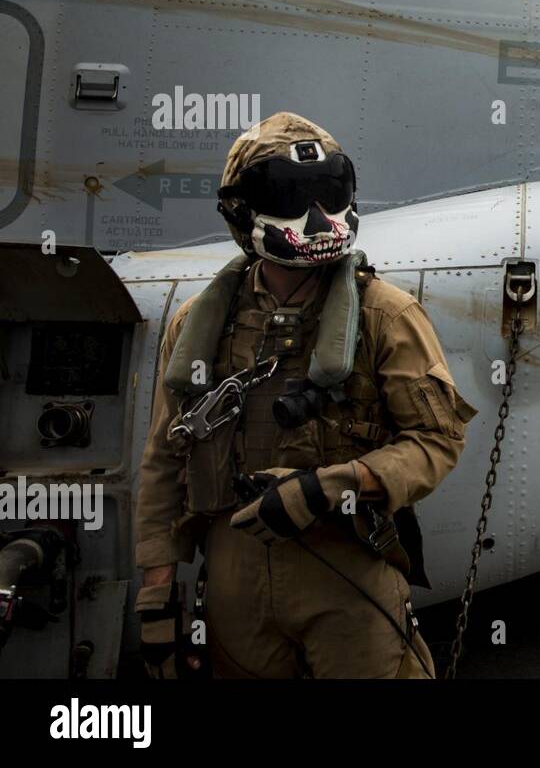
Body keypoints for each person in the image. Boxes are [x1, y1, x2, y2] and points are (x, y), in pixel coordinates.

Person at [133, 112, 476, 678]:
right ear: (242, 210)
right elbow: (164, 462)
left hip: (345, 561)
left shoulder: (386, 316)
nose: (316, 214)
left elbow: (436, 441)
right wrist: (156, 595)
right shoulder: (199, 326)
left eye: (328, 191)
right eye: (292, 195)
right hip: (234, 572)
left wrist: (340, 484)